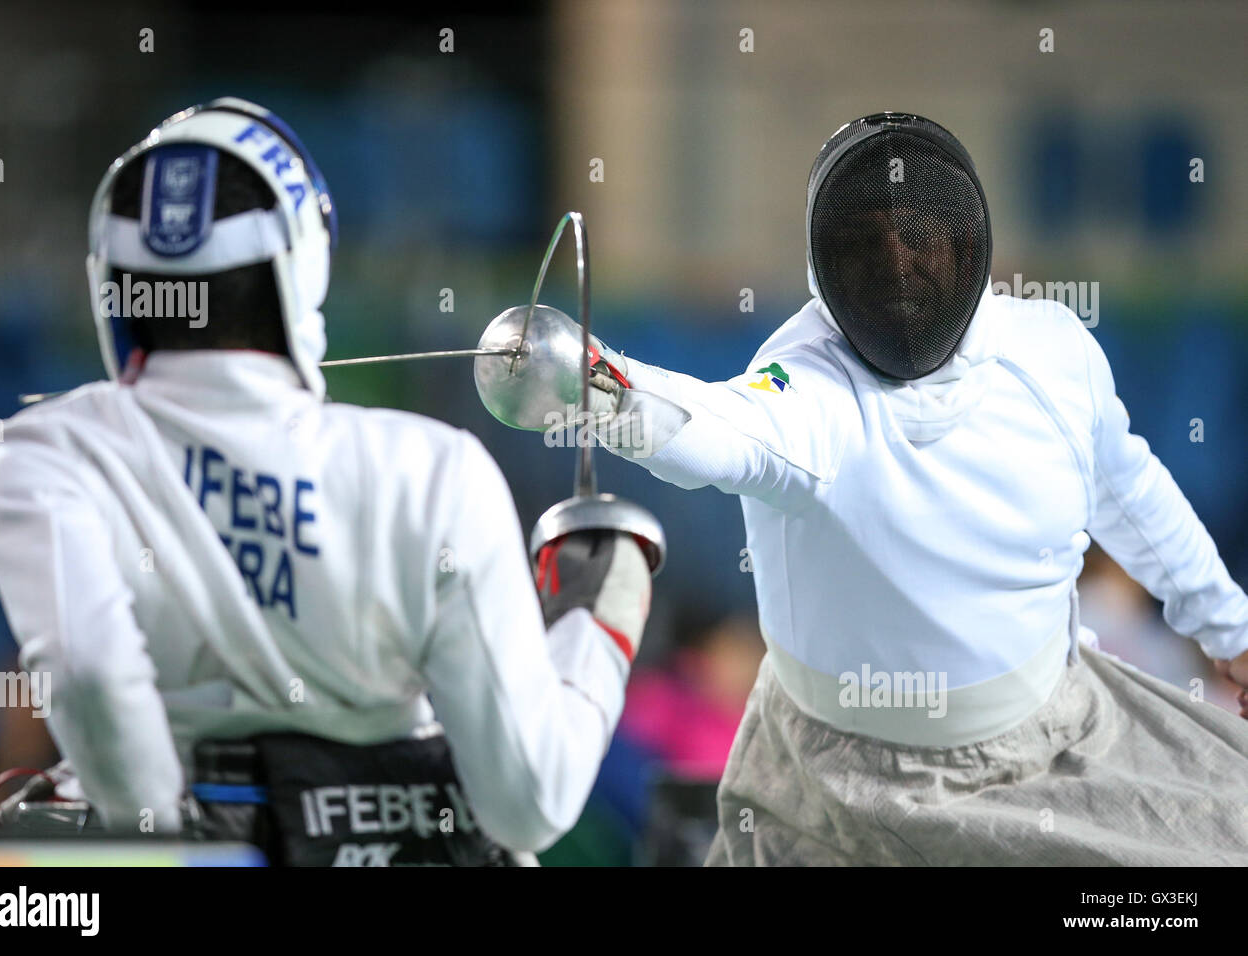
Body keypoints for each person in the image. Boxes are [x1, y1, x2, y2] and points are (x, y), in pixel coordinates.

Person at [483, 112, 1248, 865]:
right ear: (826, 269)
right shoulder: (808, 385)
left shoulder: (1050, 354)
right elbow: (711, 430)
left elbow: (1130, 491)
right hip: (842, 790)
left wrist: (1231, 629)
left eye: (917, 236)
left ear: (967, 243)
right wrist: (597, 386)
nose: (896, 263)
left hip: (1060, 734)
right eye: (864, 245)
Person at [0, 98, 654, 866]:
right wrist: (598, 615)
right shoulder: (434, 469)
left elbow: (92, 678)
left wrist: (161, 838)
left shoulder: (39, 454)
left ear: (113, 281)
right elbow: (529, 801)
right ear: (305, 264)